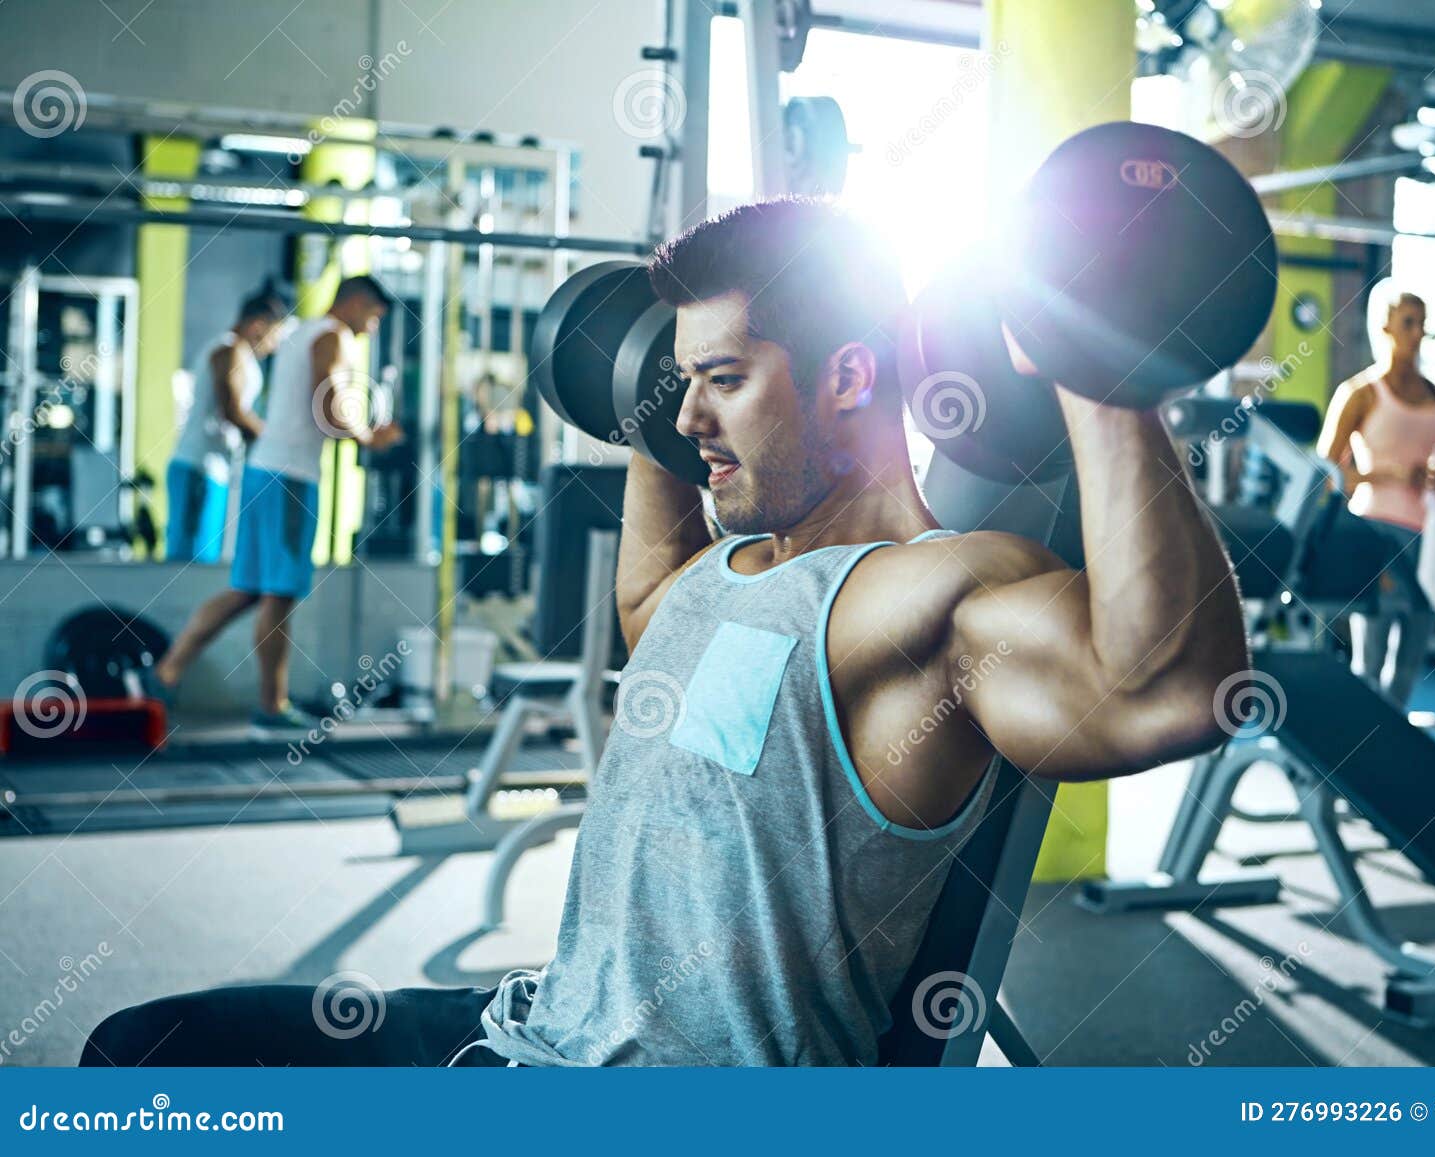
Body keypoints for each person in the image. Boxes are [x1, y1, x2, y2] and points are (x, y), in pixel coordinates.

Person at [84, 203, 1246, 1067]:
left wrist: (1102, 369)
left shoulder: (930, 591)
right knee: (147, 1049)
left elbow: (1168, 688)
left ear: (849, 375)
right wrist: (648, 393)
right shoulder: (723, 572)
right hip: (537, 1027)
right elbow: (652, 614)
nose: (689, 414)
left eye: (723, 378)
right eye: (679, 378)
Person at [150, 275, 404, 734]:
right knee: (278, 593)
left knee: (248, 588)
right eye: (374, 316)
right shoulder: (333, 336)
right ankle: (272, 705)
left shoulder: (298, 333)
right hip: (290, 477)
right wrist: (369, 436)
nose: (373, 327)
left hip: (262, 470)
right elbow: (327, 409)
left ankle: (168, 672)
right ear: (356, 303)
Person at [1317, 283, 1435, 708]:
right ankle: (1360, 738)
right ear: (1384, 327)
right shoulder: (1360, 394)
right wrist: (1384, 474)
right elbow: (1324, 475)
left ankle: (1390, 735)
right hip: (1375, 535)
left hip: (1429, 540)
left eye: (1422, 324)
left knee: (1409, 663)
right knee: (1370, 659)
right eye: (1408, 323)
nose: (1418, 333)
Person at [165, 290, 288, 563]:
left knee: (205, 558)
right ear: (258, 325)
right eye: (274, 336)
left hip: (213, 470)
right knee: (190, 563)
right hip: (199, 467)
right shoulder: (229, 351)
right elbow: (233, 411)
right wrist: (273, 439)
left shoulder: (239, 354)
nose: (274, 346)